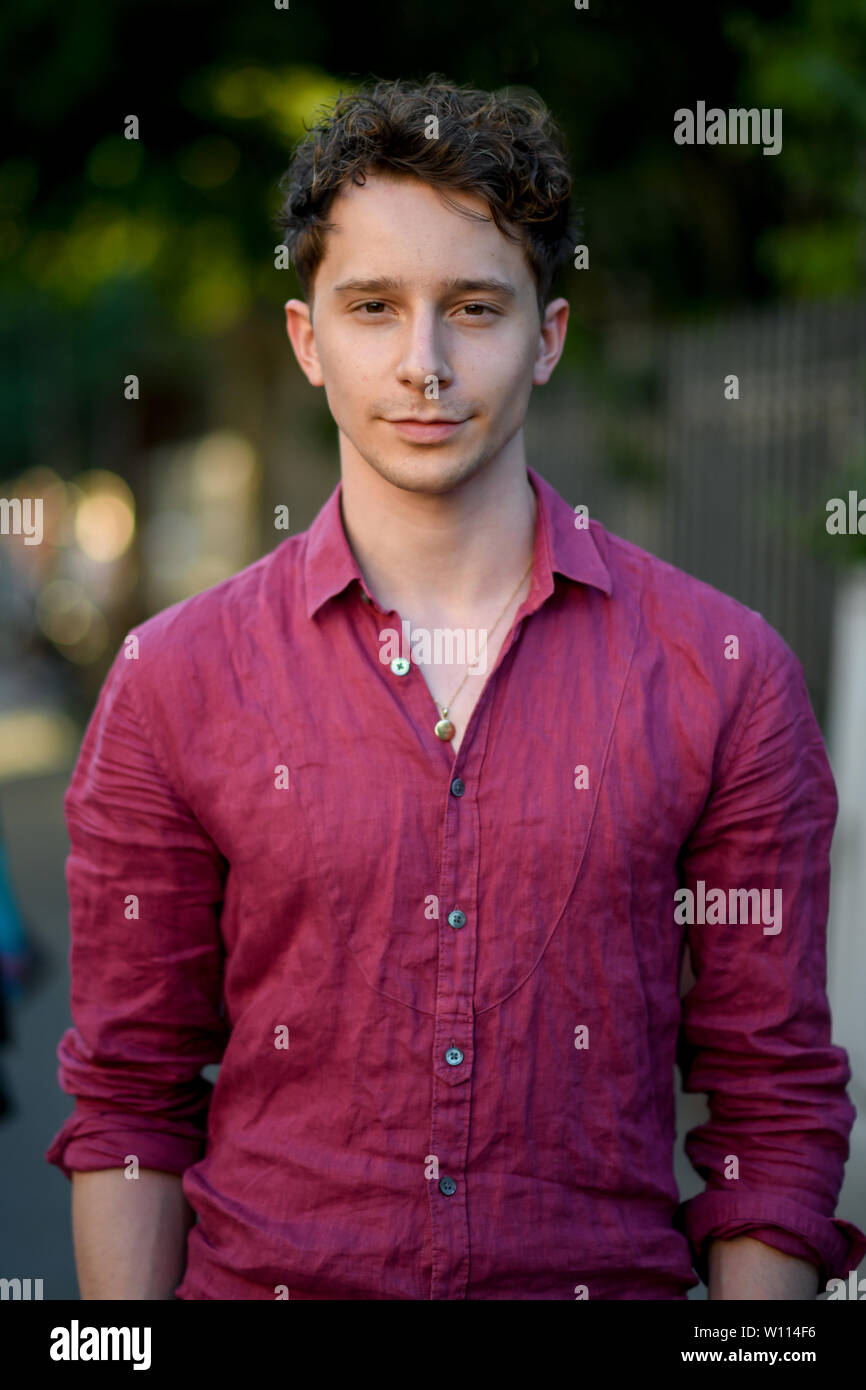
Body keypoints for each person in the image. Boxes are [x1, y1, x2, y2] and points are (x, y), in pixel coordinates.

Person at [47, 75, 865, 1300]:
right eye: (373, 307)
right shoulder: (174, 680)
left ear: (546, 335)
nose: (422, 363)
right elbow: (128, 1095)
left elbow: (771, 1103)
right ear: (306, 338)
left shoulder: (725, 675)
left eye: (472, 308)